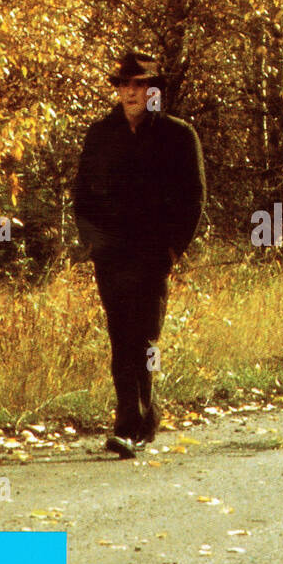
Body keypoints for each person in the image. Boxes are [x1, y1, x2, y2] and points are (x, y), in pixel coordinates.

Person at [72, 52, 206, 458]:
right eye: (123, 85)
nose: (130, 93)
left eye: (139, 85)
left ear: (154, 91)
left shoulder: (178, 135)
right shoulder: (100, 134)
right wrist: (93, 244)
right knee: (120, 337)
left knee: (146, 337)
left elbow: (193, 197)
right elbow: (81, 195)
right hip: (111, 253)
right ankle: (134, 422)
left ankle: (137, 422)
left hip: (153, 254)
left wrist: (171, 249)